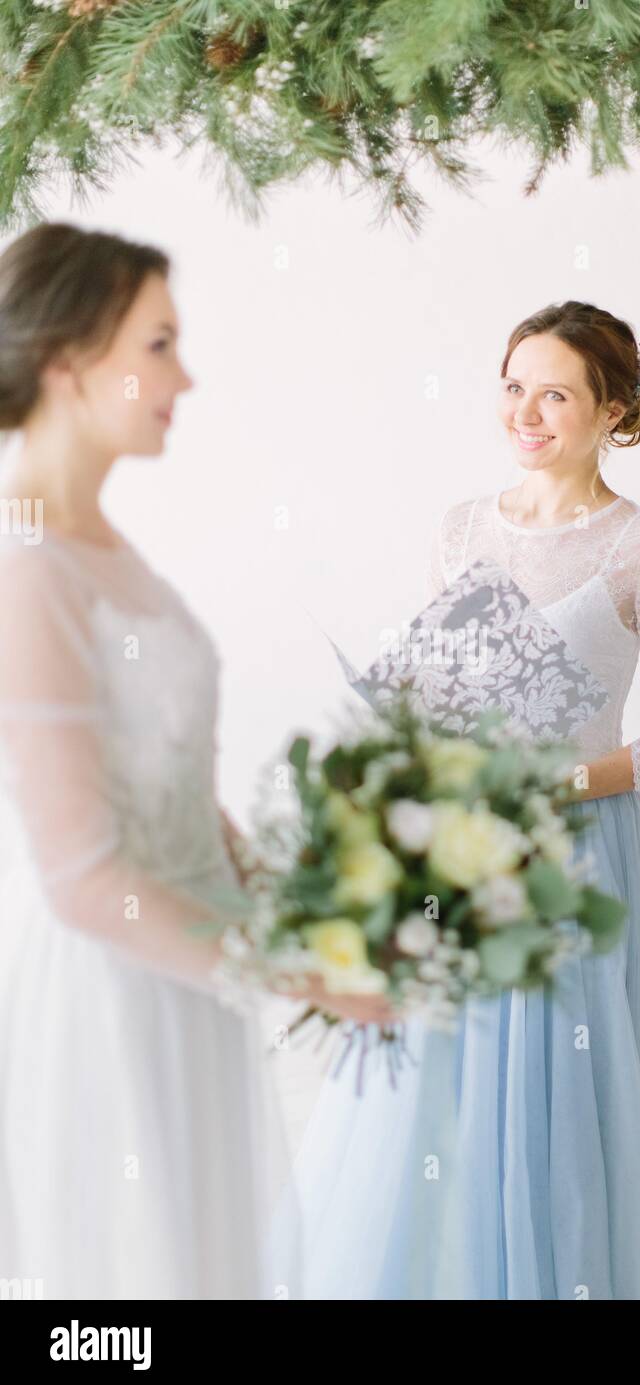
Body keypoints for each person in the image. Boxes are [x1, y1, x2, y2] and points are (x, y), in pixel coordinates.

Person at [271, 300, 640, 1299]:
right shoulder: (457, 529)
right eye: (511, 386)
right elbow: (430, 698)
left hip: (577, 856)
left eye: (554, 393)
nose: (524, 412)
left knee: (557, 1104)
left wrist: (558, 784)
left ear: (613, 409)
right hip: (459, 851)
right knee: (438, 1087)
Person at [0, 221, 387, 1299]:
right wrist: (300, 973)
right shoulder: (28, 571)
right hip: (107, 995)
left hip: (190, 977)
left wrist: (299, 905)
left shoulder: (104, 545)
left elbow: (175, 785)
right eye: (159, 344)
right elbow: (82, 877)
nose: (188, 375)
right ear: (71, 361)